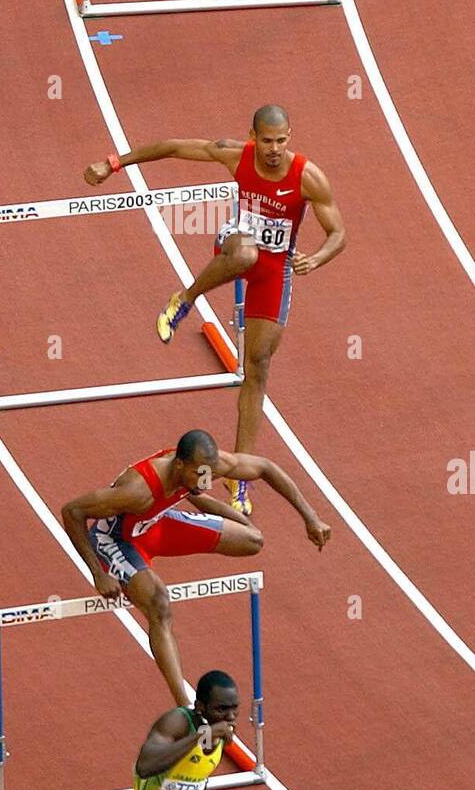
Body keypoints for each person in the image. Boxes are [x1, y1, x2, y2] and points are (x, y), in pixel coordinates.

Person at [84, 104, 345, 514]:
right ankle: (184, 299)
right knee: (244, 252)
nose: (274, 149)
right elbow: (171, 147)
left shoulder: (307, 177)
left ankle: (240, 485)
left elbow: (339, 232)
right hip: (237, 245)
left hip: (276, 271)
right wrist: (112, 164)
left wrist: (318, 258)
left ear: (289, 136)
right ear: (253, 136)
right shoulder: (234, 154)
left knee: (256, 367)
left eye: (281, 141)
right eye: (266, 140)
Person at [62, 429, 330, 707]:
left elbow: (265, 467)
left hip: (155, 523)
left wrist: (310, 518)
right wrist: (98, 574)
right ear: (179, 465)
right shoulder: (137, 490)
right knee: (159, 604)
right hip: (117, 539)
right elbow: (72, 511)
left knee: (252, 540)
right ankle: (185, 708)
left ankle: (151, 562)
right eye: (200, 475)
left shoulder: (204, 467)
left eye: (210, 475)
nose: (207, 482)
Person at [105, 670, 251, 790]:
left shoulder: (220, 732)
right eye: (222, 709)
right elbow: (145, 766)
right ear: (201, 707)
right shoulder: (178, 723)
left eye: (235, 709)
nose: (230, 717)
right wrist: (201, 736)